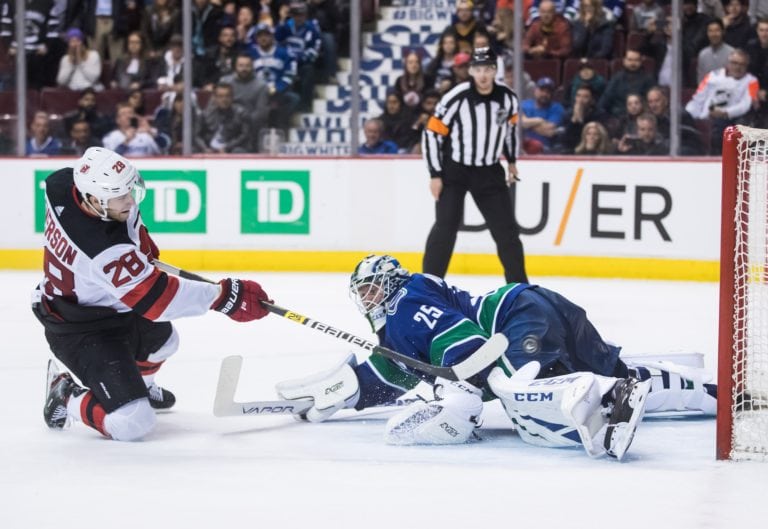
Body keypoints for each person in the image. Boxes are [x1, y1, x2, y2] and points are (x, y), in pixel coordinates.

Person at [274, 254, 717, 459]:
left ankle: (609, 393)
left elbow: (467, 346)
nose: (367, 299)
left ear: (388, 284)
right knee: (610, 368)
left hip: (515, 321)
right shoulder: (406, 307)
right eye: (362, 292)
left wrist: (458, 390)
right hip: (539, 306)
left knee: (523, 406)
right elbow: (394, 372)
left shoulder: (403, 304)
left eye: (371, 288)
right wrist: (345, 393)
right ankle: (707, 392)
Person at [34, 147, 271, 442]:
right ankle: (65, 394)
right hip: (80, 328)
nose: (131, 200)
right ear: (95, 201)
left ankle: (141, 387)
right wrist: (223, 297)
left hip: (110, 304)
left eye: (130, 190)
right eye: (121, 196)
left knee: (164, 342)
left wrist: (141, 258)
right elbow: (158, 300)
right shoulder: (104, 250)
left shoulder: (62, 185)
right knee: (133, 423)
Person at [422, 47, 527, 285]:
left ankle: (520, 289)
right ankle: (428, 286)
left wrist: (511, 161)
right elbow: (432, 133)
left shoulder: (508, 98)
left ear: (494, 71)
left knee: (507, 233)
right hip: (455, 171)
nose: (482, 75)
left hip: (489, 171)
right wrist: (435, 173)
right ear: (470, 71)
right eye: (478, 69)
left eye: (488, 69)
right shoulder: (456, 97)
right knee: (445, 228)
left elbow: (509, 131)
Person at [56, 27, 103, 92]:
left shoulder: (93, 55)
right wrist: (71, 64)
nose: (75, 45)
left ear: (82, 42)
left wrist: (80, 62)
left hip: (90, 91)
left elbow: (93, 79)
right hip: (72, 92)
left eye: (77, 41)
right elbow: (61, 82)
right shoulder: (65, 59)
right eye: (72, 42)